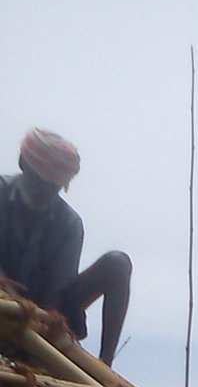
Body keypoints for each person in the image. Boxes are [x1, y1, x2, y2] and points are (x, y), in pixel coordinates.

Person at [0, 128, 131, 365]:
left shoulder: (69, 224)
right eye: (39, 182)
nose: (43, 193)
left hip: (43, 310)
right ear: (23, 165)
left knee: (117, 263)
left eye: (52, 187)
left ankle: (106, 364)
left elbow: (56, 291)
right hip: (4, 300)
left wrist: (42, 321)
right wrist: (15, 302)